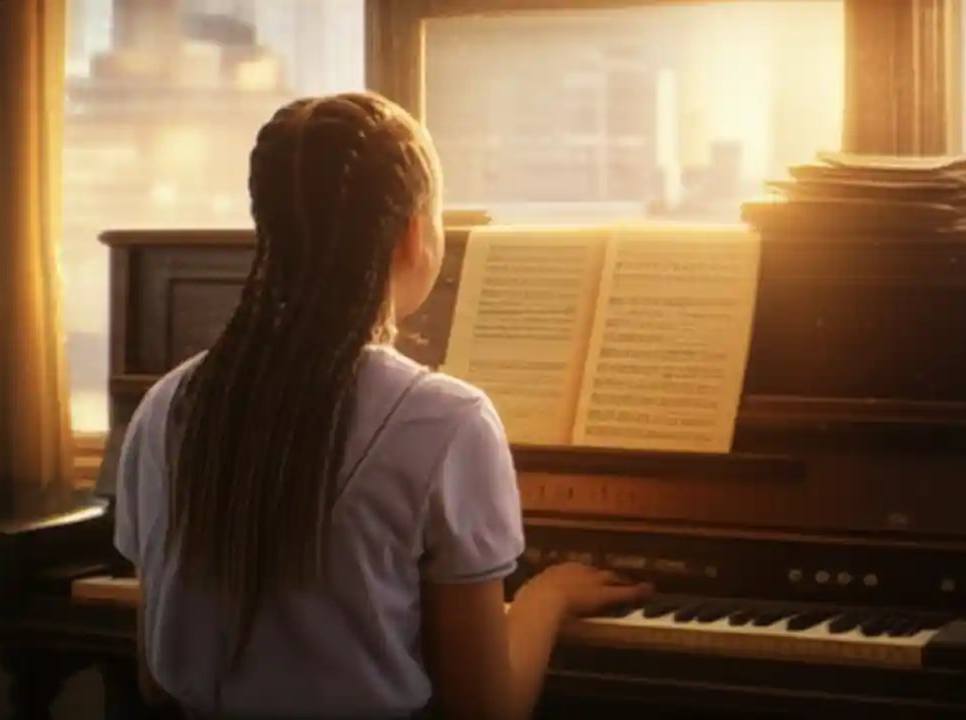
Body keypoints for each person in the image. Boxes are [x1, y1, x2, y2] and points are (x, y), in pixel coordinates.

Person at [113, 92, 653, 720]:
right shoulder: (447, 422)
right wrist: (546, 598)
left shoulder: (166, 405)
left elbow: (156, 679)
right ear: (412, 235)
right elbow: (485, 711)